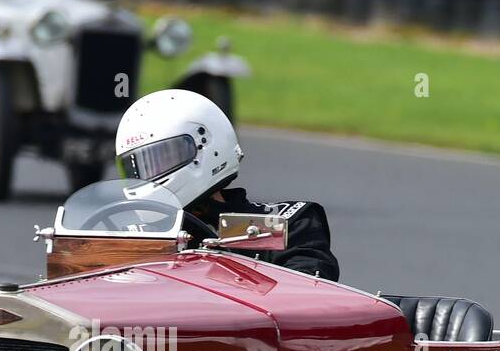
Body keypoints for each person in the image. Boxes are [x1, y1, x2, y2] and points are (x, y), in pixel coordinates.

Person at [114, 89, 339, 280]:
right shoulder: (128, 238)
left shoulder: (285, 223)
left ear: (206, 144)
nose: (148, 174)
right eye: (139, 168)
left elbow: (308, 296)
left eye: (160, 159)